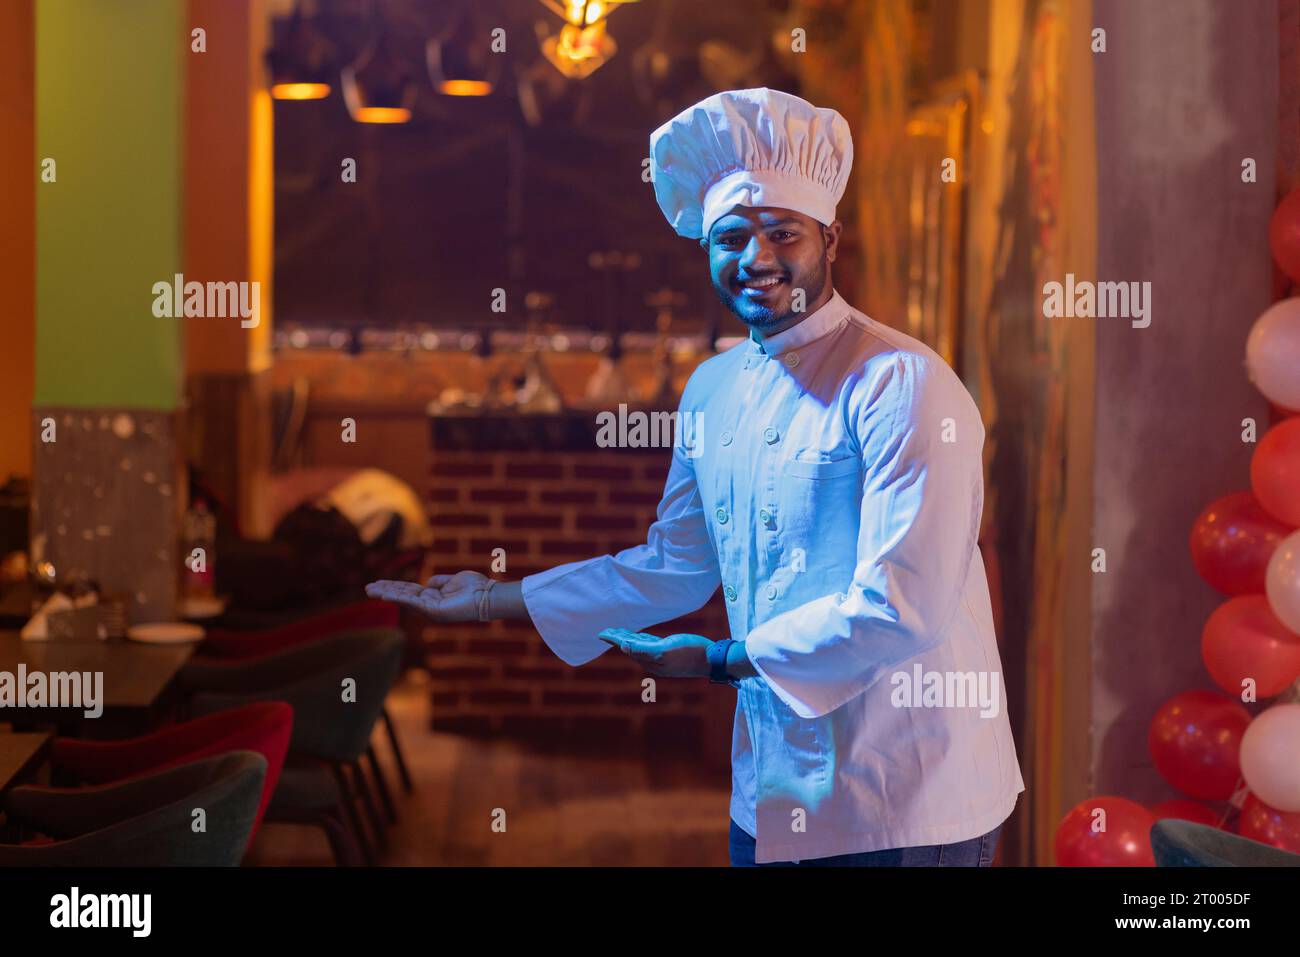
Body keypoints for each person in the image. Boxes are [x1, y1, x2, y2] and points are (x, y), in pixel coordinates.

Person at [367, 87, 1025, 866]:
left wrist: (719, 660)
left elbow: (901, 608)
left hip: (907, 796)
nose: (757, 258)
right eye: (730, 236)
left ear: (830, 239)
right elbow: (673, 566)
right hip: (771, 792)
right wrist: (486, 599)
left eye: (783, 232)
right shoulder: (712, 388)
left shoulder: (902, 383)